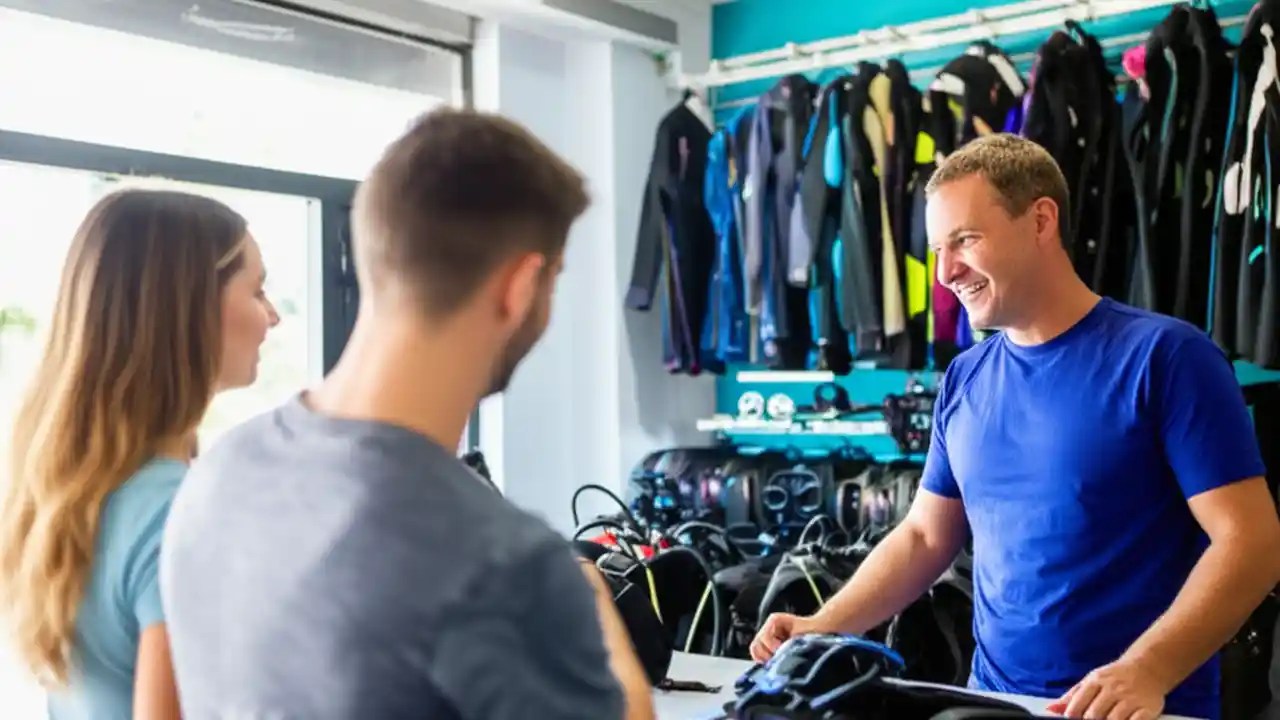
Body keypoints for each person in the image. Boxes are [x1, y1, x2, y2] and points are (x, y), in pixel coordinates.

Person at [750, 134, 1280, 720]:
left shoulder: (1167, 358)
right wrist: (822, 625)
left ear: (1041, 221)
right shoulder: (965, 377)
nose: (945, 272)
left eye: (965, 240)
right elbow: (925, 537)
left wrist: (1149, 669)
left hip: (1136, 710)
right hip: (996, 701)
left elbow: (1253, 542)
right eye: (937, 249)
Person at [159, 108, 655, 720]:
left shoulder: (220, 472)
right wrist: (596, 608)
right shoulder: (505, 566)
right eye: (553, 281)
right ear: (521, 285)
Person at [0, 189, 279, 720]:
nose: (272, 317)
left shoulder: (71, 494)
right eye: (258, 290)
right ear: (191, 308)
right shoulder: (180, 514)